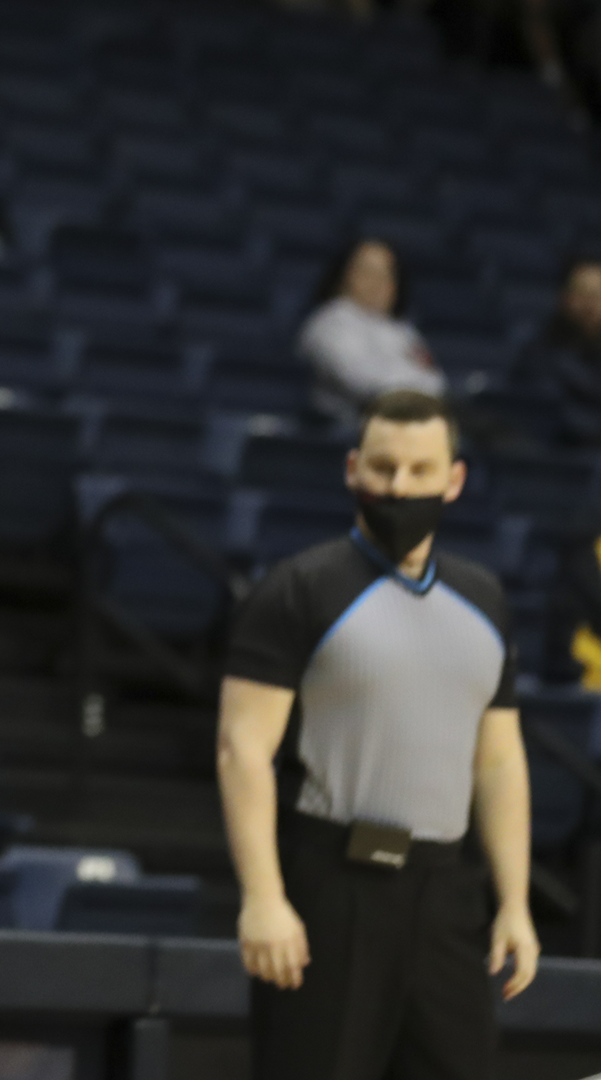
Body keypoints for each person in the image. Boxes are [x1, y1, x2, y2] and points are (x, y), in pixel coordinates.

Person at [216, 389, 537, 1080]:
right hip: (331, 884)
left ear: (454, 480)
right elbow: (241, 747)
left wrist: (513, 902)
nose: (400, 486)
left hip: (448, 894)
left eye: (420, 471)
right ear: (352, 469)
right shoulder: (300, 588)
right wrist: (263, 897)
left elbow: (500, 760)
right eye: (384, 467)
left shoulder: (484, 600)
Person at [298, 238, 446, 427]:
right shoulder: (329, 321)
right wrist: (413, 386)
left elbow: (436, 382)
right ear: (344, 276)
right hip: (348, 431)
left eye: (386, 274)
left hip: (408, 424)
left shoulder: (402, 329)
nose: (377, 283)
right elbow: (364, 382)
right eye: (368, 271)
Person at [517, 256, 601, 446]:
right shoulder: (538, 354)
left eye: (598, 295)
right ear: (565, 297)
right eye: (584, 294)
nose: (591, 305)